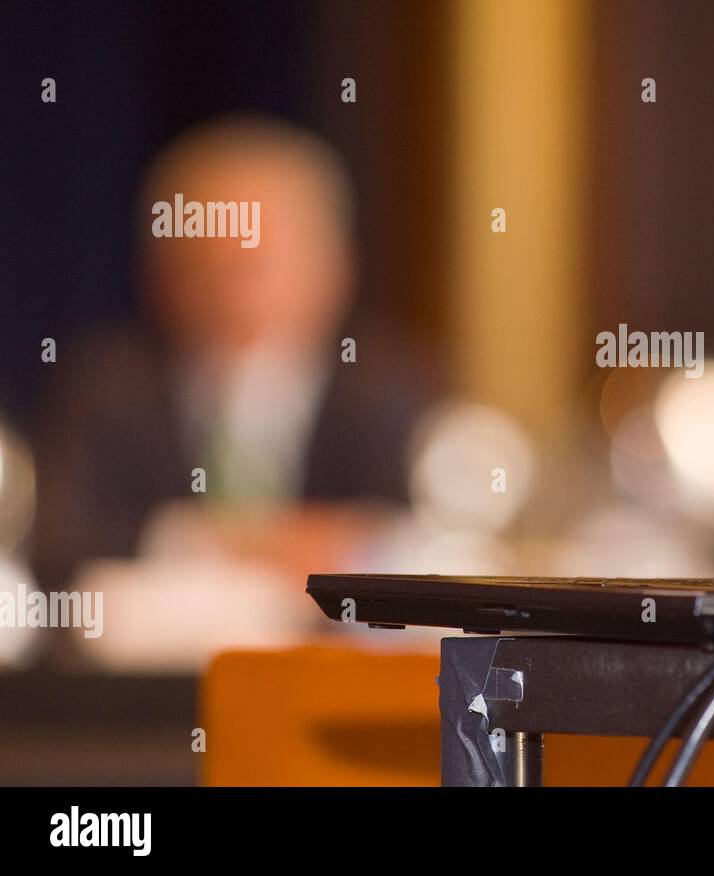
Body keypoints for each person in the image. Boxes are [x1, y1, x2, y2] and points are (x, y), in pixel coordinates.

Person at [33, 116, 433, 590]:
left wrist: (351, 542)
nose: (229, 297)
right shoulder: (104, 388)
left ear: (333, 267)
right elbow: (57, 542)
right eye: (200, 268)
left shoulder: (398, 388)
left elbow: (446, 541)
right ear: (155, 274)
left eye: (252, 268)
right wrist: (210, 541)